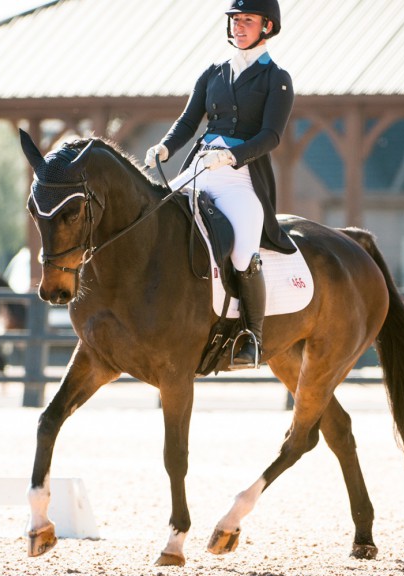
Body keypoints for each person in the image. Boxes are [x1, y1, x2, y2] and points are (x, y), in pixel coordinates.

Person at [145, 0, 295, 368]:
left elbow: (271, 136)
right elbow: (187, 122)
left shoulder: (277, 78)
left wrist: (231, 156)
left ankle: (252, 338)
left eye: (247, 20)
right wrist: (165, 147)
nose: (239, 27)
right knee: (152, 223)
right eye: (235, 20)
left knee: (244, 254)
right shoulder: (212, 73)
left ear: (267, 27)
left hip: (240, 177)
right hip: (199, 167)